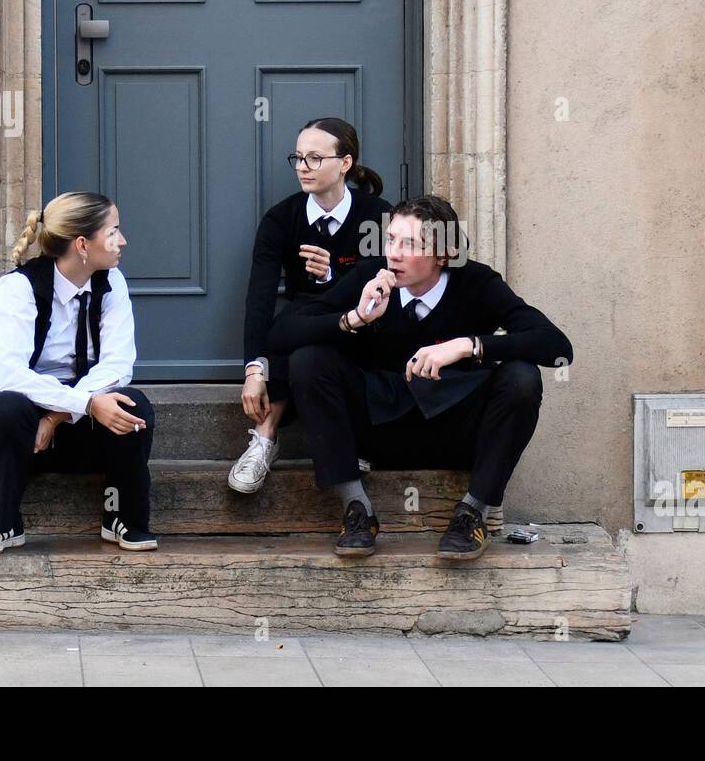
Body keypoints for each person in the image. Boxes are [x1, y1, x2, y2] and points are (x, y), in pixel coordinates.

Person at [268, 195, 573, 560]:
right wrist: (355, 319)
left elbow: (557, 347)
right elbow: (281, 334)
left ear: (442, 255)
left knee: (522, 377)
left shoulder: (475, 282)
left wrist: (467, 345)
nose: (393, 253)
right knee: (308, 360)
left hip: (451, 430)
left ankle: (472, 512)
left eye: (409, 244)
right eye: (391, 239)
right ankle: (357, 509)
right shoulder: (370, 276)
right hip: (378, 428)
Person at [0, 192, 157, 554]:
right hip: (26, 436)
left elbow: (117, 365)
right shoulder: (17, 288)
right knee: (8, 408)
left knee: (134, 406)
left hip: (75, 426)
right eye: (114, 231)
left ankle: (122, 515)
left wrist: (61, 414)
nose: (123, 240)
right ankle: (1, 520)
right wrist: (75, 404)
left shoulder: (111, 283)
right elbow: (9, 375)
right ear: (83, 244)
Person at [231, 117, 392, 493]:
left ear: (345, 164)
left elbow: (378, 281)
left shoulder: (376, 214)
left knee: (310, 335)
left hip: (365, 321)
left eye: (315, 158)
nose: (303, 167)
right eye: (298, 157)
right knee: (293, 330)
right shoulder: (281, 219)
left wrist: (332, 276)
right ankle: (265, 436)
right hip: (304, 324)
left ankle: (344, 436)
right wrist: (254, 370)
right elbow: (259, 298)